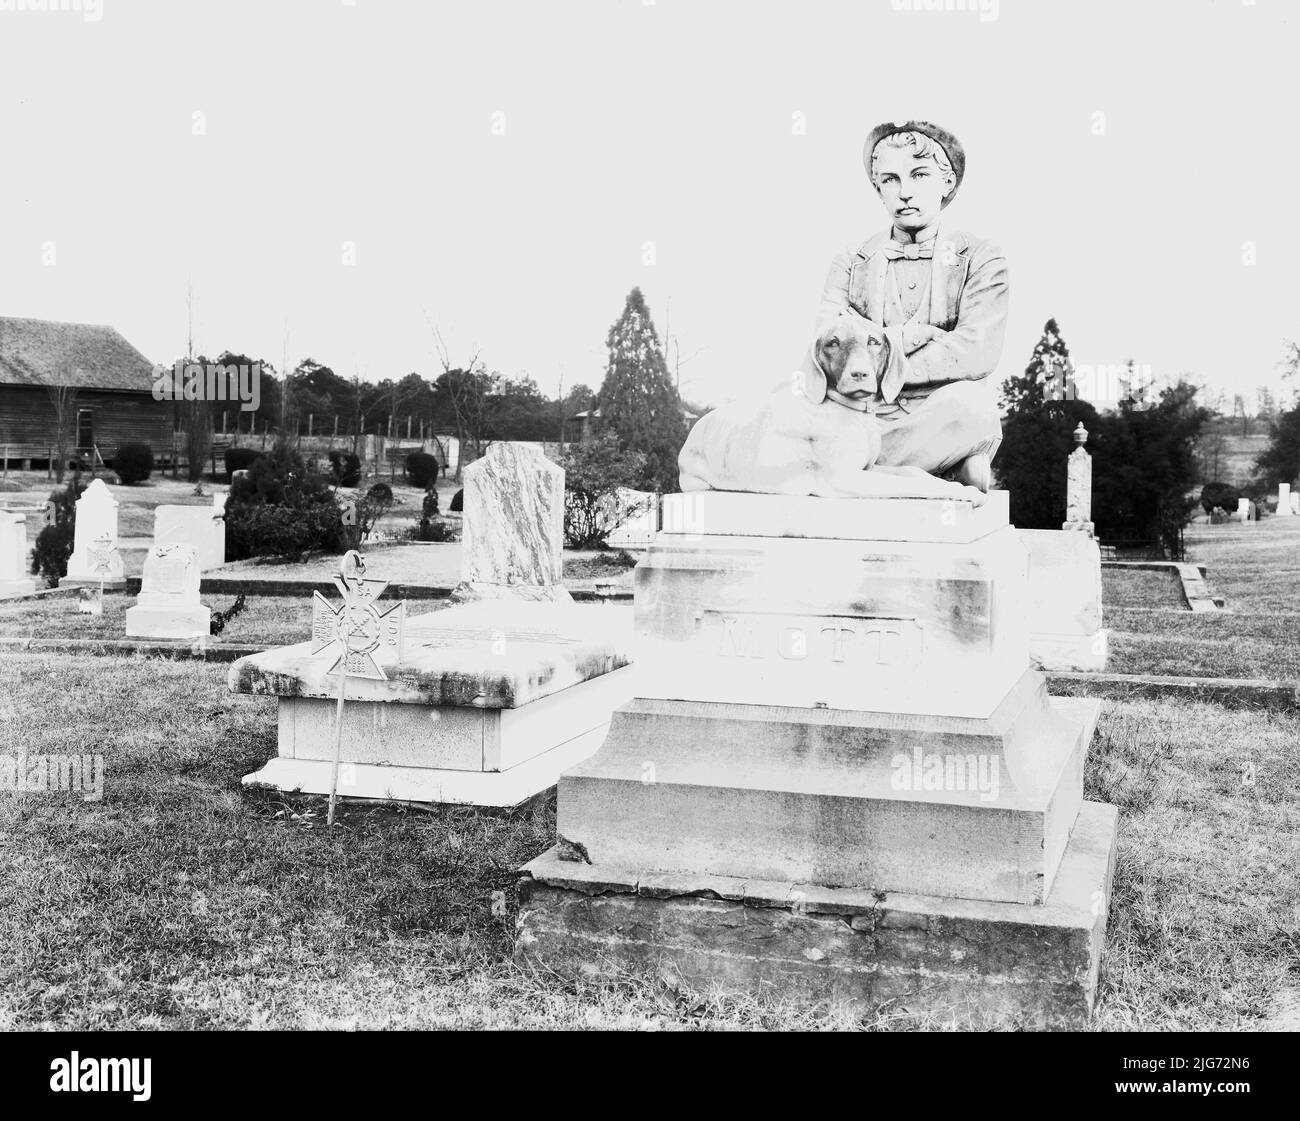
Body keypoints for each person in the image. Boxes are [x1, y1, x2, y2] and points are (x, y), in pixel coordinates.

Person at [815, 120, 1007, 491]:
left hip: (936, 416)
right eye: (890, 180)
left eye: (919, 175)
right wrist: (911, 336)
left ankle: (853, 469)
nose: (904, 192)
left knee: (974, 409)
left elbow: (976, 352)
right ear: (878, 188)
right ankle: (924, 474)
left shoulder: (983, 257)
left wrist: (876, 350)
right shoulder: (851, 259)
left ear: (947, 182)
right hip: (857, 410)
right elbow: (827, 343)